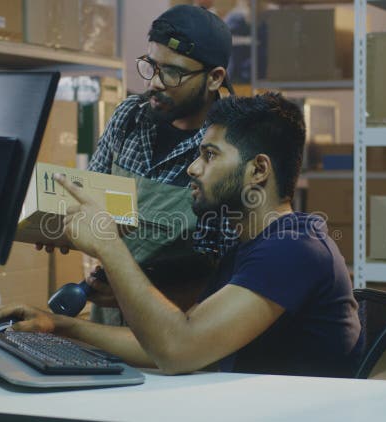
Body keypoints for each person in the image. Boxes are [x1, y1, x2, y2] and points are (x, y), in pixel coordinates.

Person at [0, 94, 363, 377]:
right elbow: (164, 343)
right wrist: (58, 325)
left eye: (209, 155)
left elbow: (179, 349)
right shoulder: (252, 246)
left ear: (258, 170)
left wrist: (108, 244)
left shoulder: (293, 249)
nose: (194, 168)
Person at [40, 5, 239, 324]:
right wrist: (58, 227)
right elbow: (91, 201)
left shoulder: (229, 147)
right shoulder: (129, 117)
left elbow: (229, 280)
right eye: (151, 65)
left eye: (172, 72)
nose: (156, 83)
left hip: (181, 334)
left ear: (214, 78)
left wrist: (132, 292)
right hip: (108, 327)